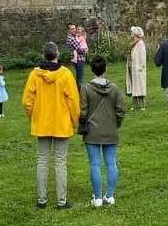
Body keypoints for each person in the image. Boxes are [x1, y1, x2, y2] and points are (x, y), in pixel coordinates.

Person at [22, 41, 80, 210]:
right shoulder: (66, 75)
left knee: (42, 161)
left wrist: (35, 116)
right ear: (57, 55)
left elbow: (27, 102)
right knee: (60, 163)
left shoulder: (35, 75)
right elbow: (74, 101)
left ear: (43, 56)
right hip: (61, 123)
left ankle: (42, 200)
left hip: (42, 124)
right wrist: (74, 120)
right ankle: (61, 201)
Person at [80, 54, 125, 208]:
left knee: (95, 164)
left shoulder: (86, 88)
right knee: (111, 163)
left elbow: (83, 111)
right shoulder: (114, 88)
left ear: (92, 69)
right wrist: (115, 124)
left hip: (92, 130)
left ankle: (98, 198)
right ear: (105, 69)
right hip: (110, 130)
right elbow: (120, 110)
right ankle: (110, 196)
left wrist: (83, 123)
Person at [126, 26, 148, 109]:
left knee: (140, 85)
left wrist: (140, 67)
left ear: (135, 34)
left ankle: (142, 104)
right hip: (132, 66)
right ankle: (134, 104)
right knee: (133, 84)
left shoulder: (140, 44)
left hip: (138, 68)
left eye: (132, 32)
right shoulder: (133, 44)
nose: (131, 34)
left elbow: (142, 57)